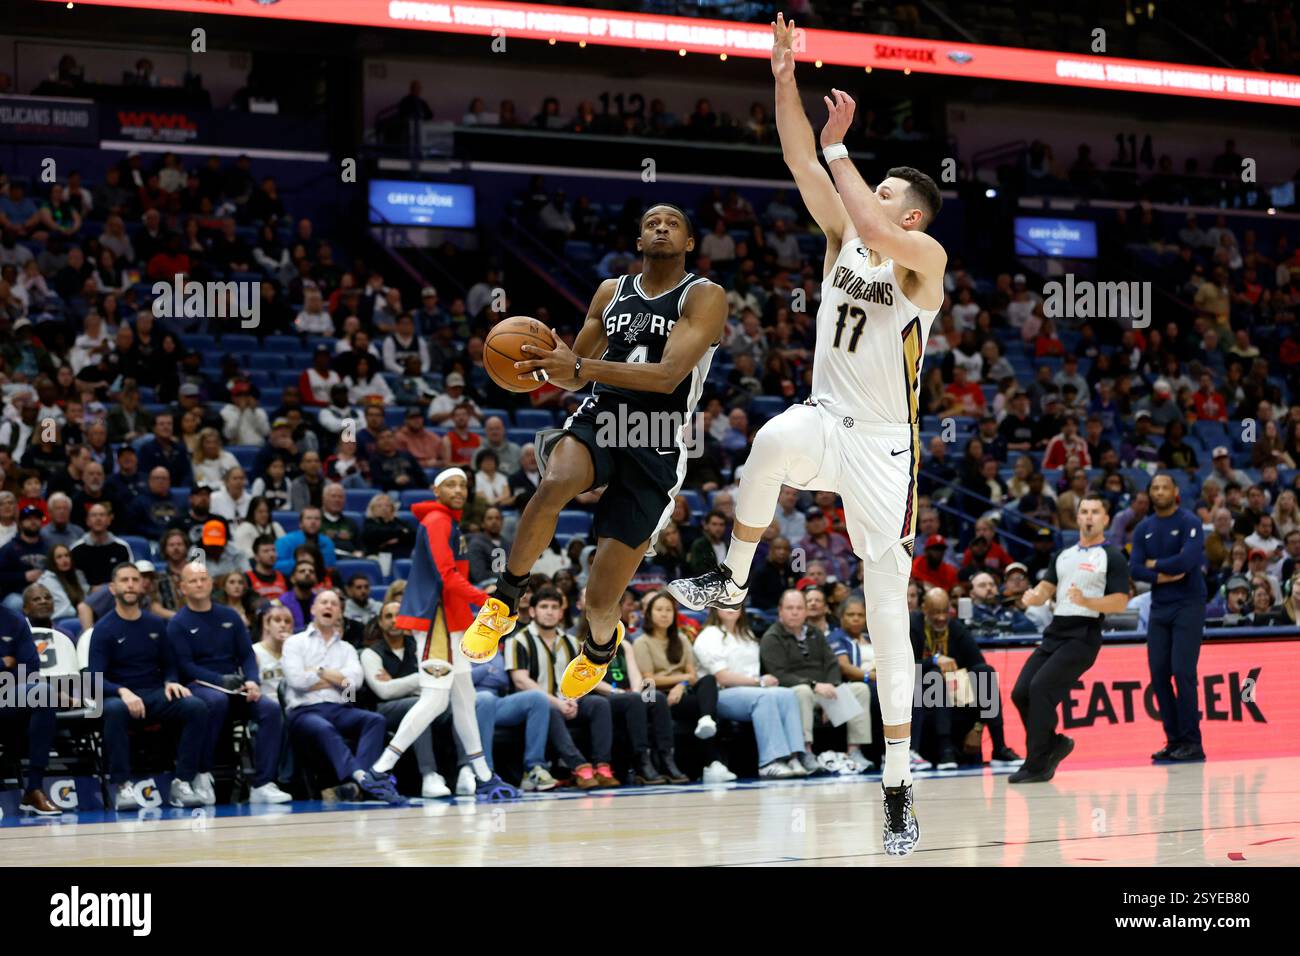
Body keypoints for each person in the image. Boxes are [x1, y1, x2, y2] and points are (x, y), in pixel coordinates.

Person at [668, 15, 945, 856]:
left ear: (913, 213)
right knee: (769, 443)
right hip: (828, 420)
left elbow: (874, 223)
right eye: (873, 188)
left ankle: (896, 783)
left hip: (887, 450)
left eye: (886, 192)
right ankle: (731, 579)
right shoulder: (844, 238)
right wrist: (783, 82)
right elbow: (799, 161)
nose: (872, 197)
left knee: (888, 615)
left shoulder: (923, 260)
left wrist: (841, 150)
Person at [458, 198, 727, 716]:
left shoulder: (704, 295)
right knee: (554, 483)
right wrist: (537, 364)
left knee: (600, 601)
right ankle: (504, 601)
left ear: (690, 242)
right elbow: (573, 372)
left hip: (657, 438)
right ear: (638, 241)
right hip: (601, 417)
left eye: (673, 223)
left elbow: (667, 375)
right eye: (652, 223)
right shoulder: (611, 291)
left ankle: (601, 648)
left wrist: (580, 366)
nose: (662, 228)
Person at [383, 468, 520, 799]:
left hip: (450, 621)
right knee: (435, 699)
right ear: (436, 490)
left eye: (463, 485)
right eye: (451, 485)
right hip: (436, 622)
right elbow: (446, 576)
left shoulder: (451, 522)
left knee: (465, 699)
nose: (459, 490)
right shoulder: (437, 521)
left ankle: (483, 775)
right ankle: (380, 770)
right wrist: (486, 600)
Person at [1015, 496, 1131, 783]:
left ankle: (1037, 763)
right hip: (1056, 631)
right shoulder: (1063, 555)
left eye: (1095, 512)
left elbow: (1120, 602)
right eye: (1084, 512)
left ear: (1105, 519)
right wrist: (1032, 597)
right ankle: (1052, 744)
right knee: (1021, 692)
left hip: (1084, 634)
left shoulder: (1112, 556)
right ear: (1077, 518)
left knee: (1041, 688)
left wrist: (1087, 601)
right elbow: (1045, 589)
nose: (1089, 517)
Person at [167, 561, 291, 804]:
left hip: (235, 686)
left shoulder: (230, 616)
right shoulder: (178, 623)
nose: (199, 584)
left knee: (270, 709)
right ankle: (202, 774)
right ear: (183, 587)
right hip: (199, 685)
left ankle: (263, 783)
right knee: (216, 701)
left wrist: (253, 681)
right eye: (193, 580)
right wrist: (219, 680)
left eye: (203, 579)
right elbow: (184, 665)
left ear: (212, 583)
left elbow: (247, 655)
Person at [90, 561, 209, 809]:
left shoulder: (155, 624)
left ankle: (182, 782)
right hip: (120, 696)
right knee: (113, 709)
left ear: (142, 586)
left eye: (135, 580)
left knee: (196, 706)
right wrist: (122, 691)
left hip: (154, 694)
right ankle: (122, 787)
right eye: (124, 580)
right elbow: (94, 677)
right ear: (112, 588)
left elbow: (170, 664)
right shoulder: (103, 629)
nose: (130, 585)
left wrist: (171, 682)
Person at [281, 589, 404, 803]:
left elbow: (353, 684)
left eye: (334, 604)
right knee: (323, 727)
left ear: (340, 613)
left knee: (375, 720)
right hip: (304, 712)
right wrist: (337, 678)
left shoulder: (347, 648)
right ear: (313, 609)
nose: (328, 606)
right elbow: (297, 681)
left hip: (340, 708)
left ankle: (361, 783)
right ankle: (361, 777)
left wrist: (318, 671)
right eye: (323, 602)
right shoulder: (295, 642)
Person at [1130, 474, 1208, 763]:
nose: (1160, 491)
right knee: (1159, 675)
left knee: (1183, 672)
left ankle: (1192, 742)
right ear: (1150, 493)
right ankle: (1174, 740)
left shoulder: (1189, 522)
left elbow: (1188, 561)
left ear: (1175, 491)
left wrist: (1154, 564)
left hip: (1188, 604)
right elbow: (1134, 568)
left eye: (1165, 487)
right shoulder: (1144, 528)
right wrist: (1163, 574)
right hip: (1160, 606)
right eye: (1155, 488)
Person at [760, 588, 875, 774]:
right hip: (794, 692)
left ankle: (854, 751)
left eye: (799, 608)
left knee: (860, 689)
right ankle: (806, 752)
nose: (795, 612)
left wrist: (832, 689)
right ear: (780, 610)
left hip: (824, 690)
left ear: (806, 611)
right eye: (790, 608)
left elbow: (831, 663)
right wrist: (814, 686)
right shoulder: (771, 638)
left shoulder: (815, 633)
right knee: (803, 691)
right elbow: (780, 675)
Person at [694, 604, 810, 778]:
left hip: (750, 690)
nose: (730, 607)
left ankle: (794, 758)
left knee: (787, 694)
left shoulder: (746, 634)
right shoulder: (709, 635)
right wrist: (759, 682)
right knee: (763, 696)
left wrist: (760, 682)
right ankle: (769, 762)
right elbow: (722, 677)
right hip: (719, 694)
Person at [910, 588, 1021, 769]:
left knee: (985, 672)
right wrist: (934, 660)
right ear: (924, 609)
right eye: (935, 612)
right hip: (922, 693)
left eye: (945, 611)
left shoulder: (956, 629)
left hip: (956, 693)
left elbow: (979, 666)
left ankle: (999, 748)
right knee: (935, 675)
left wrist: (978, 727)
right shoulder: (913, 626)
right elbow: (905, 667)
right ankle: (945, 750)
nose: (941, 617)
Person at [633, 590, 736, 782]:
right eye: (659, 610)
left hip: (681, 693)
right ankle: (712, 762)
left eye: (668, 610)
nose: (664, 614)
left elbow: (693, 676)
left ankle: (706, 722)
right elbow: (649, 678)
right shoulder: (641, 642)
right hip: (656, 696)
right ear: (649, 613)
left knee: (708, 681)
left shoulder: (680, 638)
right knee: (704, 706)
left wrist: (681, 684)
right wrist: (683, 679)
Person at [360, 600, 453, 798]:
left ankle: (467, 771)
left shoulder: (420, 647)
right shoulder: (370, 653)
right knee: (420, 705)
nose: (394, 621)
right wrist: (422, 678)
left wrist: (397, 683)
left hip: (421, 700)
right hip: (385, 709)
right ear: (380, 622)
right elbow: (383, 692)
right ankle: (429, 776)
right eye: (388, 616)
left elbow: (441, 679)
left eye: (398, 615)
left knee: (456, 706)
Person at [0, 604, 60, 813]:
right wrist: (3, 663)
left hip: (7, 693)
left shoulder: (13, 619)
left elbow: (30, 669)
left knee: (43, 692)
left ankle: (34, 788)